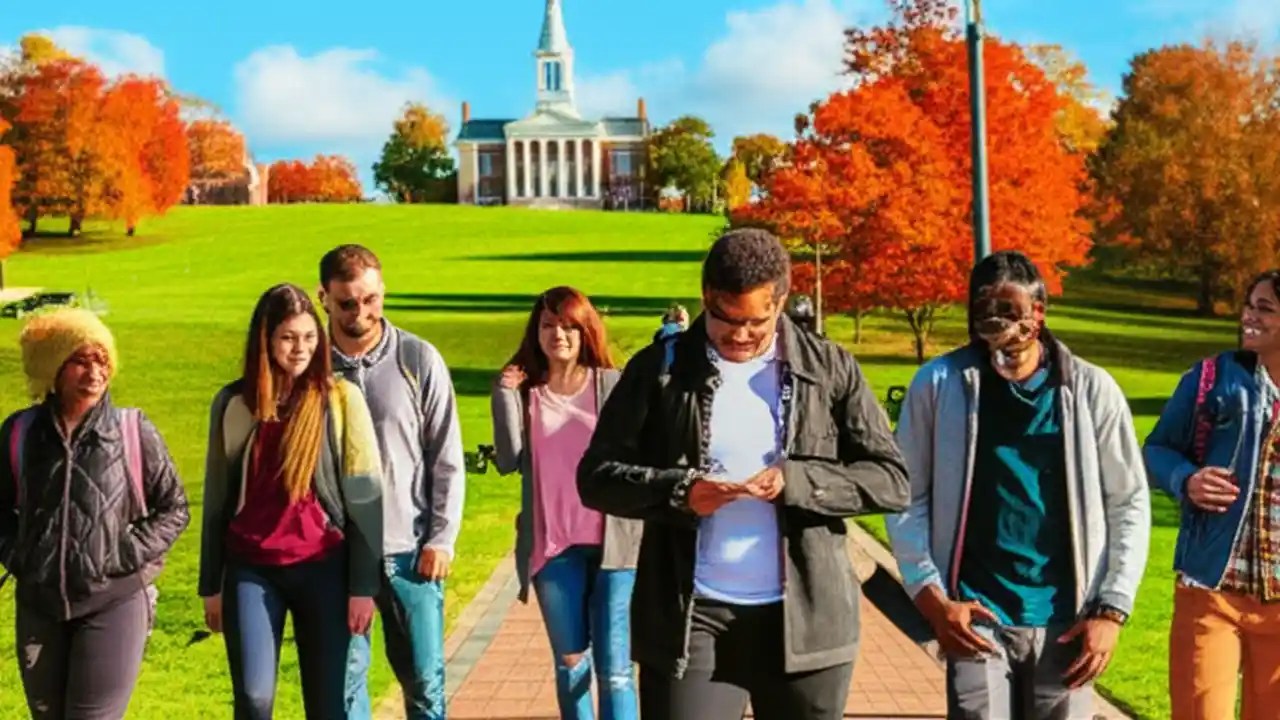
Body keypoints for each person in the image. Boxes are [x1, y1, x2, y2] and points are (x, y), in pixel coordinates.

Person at [577, 228, 910, 720]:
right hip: (691, 621)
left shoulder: (830, 368)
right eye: (723, 318)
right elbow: (596, 476)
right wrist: (681, 491)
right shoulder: (659, 370)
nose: (738, 334)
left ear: (781, 301)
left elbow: (891, 479)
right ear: (705, 296)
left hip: (807, 626)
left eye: (756, 322)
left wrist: (796, 483)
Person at [887, 250, 1150, 719]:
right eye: (982, 310)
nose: (994, 323)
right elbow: (906, 494)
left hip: (1067, 619)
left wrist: (1111, 610)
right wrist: (930, 596)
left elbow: (1128, 501)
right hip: (975, 616)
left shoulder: (1091, 390)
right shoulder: (939, 385)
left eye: (1007, 311)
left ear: (1039, 312)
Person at [199, 283, 384, 719]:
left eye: (308, 337)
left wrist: (363, 587)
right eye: (287, 337)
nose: (300, 348)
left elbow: (367, 500)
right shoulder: (234, 404)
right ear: (265, 339)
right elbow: (217, 498)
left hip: (324, 568)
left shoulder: (340, 400)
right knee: (253, 698)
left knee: (326, 705)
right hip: (251, 568)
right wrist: (211, 584)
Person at [0, 308, 189, 718]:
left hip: (114, 601)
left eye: (101, 359)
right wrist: (20, 555)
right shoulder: (21, 432)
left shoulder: (132, 431)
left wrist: (121, 555)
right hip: (39, 604)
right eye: (80, 361)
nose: (94, 372)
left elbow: (173, 508)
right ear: (52, 367)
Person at [319, 245, 466, 720]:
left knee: (425, 684)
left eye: (371, 300)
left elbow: (445, 457)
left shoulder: (416, 358)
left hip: (410, 550)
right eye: (346, 303)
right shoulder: (310, 366)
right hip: (335, 554)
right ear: (324, 297)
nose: (360, 313)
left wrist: (442, 538)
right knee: (344, 687)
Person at [491, 286, 642, 720]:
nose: (559, 334)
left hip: (615, 547)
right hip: (554, 549)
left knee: (615, 672)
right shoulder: (525, 393)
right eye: (549, 325)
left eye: (569, 326)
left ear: (586, 330)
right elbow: (508, 460)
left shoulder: (611, 385)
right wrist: (504, 394)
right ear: (536, 332)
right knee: (571, 663)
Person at [1145, 269, 1280, 719]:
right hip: (1210, 591)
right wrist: (1186, 479)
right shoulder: (1211, 378)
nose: (1249, 317)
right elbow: (1156, 450)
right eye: (1249, 305)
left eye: (1265, 309)